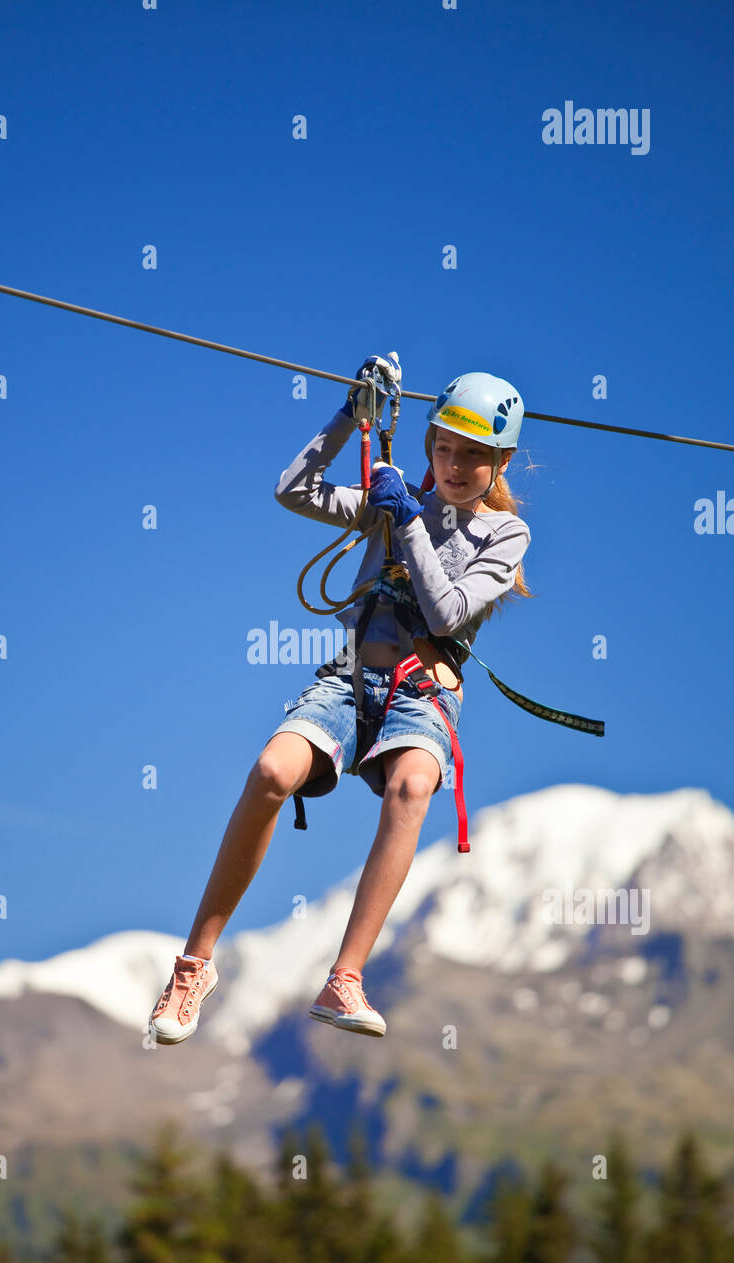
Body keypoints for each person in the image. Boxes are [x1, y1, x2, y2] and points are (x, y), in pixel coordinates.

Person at [148, 357, 531, 1044]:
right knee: (272, 771)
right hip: (348, 680)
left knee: (413, 786)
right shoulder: (389, 502)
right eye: (444, 447)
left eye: (473, 455)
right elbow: (293, 490)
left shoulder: (504, 536)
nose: (453, 464)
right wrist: (349, 418)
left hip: (421, 695)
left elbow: (445, 614)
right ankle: (193, 967)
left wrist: (407, 520)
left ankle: (344, 977)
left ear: (500, 462)